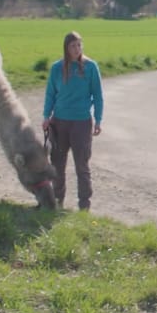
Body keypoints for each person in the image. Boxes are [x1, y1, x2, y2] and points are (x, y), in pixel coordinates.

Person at [42, 31, 104, 211]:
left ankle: (84, 205)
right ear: (66, 48)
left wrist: (98, 120)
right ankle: (58, 200)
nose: (77, 49)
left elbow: (98, 96)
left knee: (82, 166)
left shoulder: (91, 67)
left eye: (79, 45)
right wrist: (46, 116)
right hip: (59, 122)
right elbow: (50, 94)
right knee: (57, 165)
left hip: (81, 123)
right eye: (73, 46)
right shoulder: (56, 68)